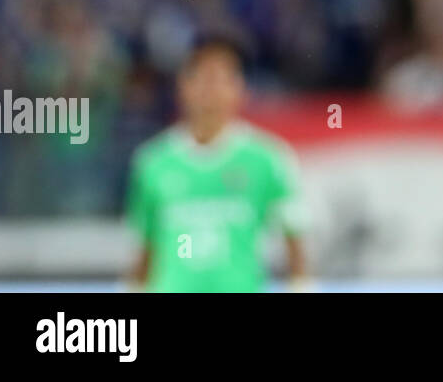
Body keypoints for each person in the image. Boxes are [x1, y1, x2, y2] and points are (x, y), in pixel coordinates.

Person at [125, 36, 309, 292]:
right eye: (202, 77)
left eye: (223, 78)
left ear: (240, 88)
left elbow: (295, 244)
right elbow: (146, 250)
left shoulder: (268, 159)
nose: (211, 90)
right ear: (183, 86)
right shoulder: (153, 162)